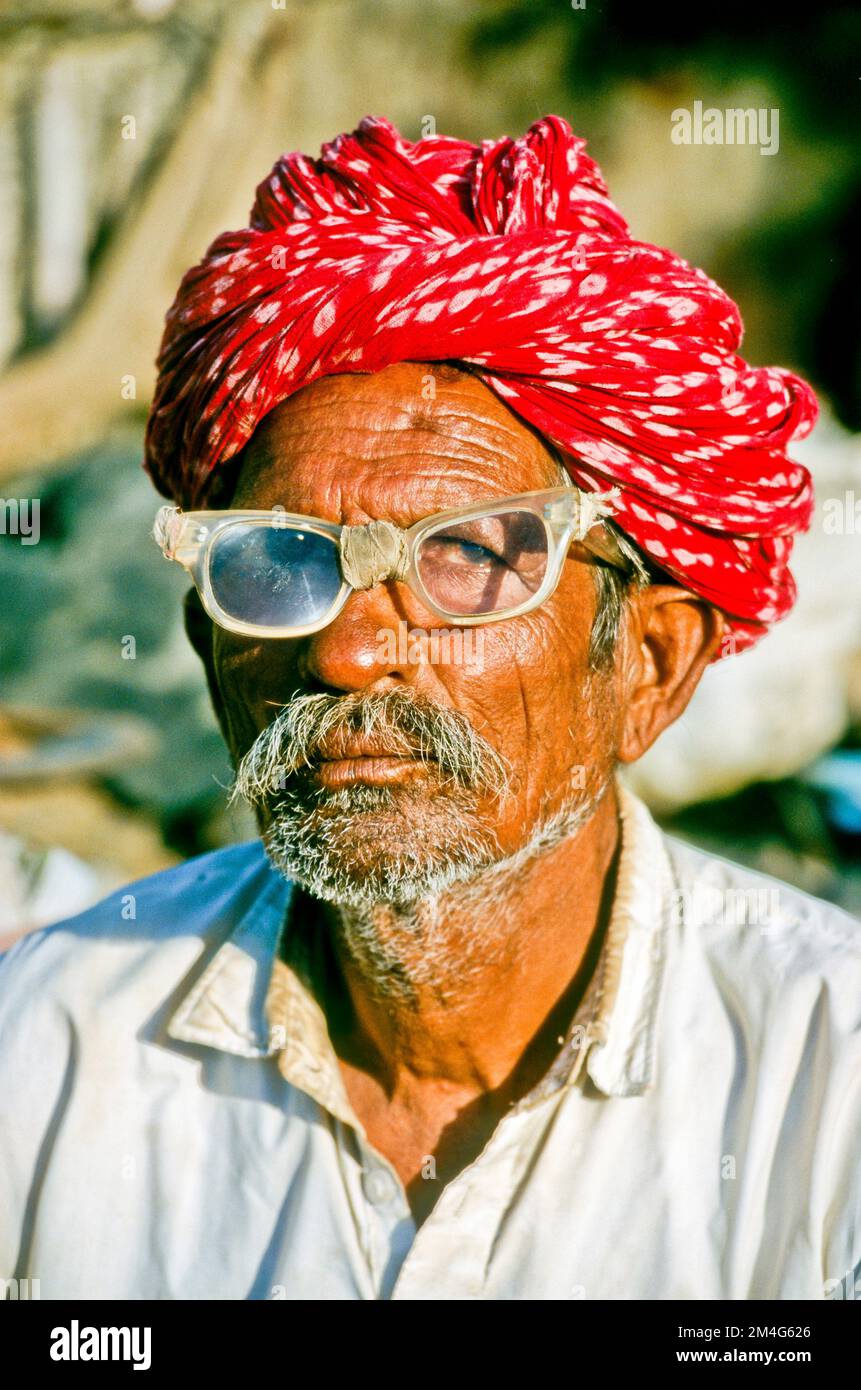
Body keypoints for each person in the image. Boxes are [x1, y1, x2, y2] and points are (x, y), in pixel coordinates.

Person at [1, 115, 858, 1302]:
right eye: (279, 560)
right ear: (207, 638)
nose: (348, 650)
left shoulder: (829, 1088)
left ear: (649, 667)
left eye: (466, 556)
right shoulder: (48, 1042)